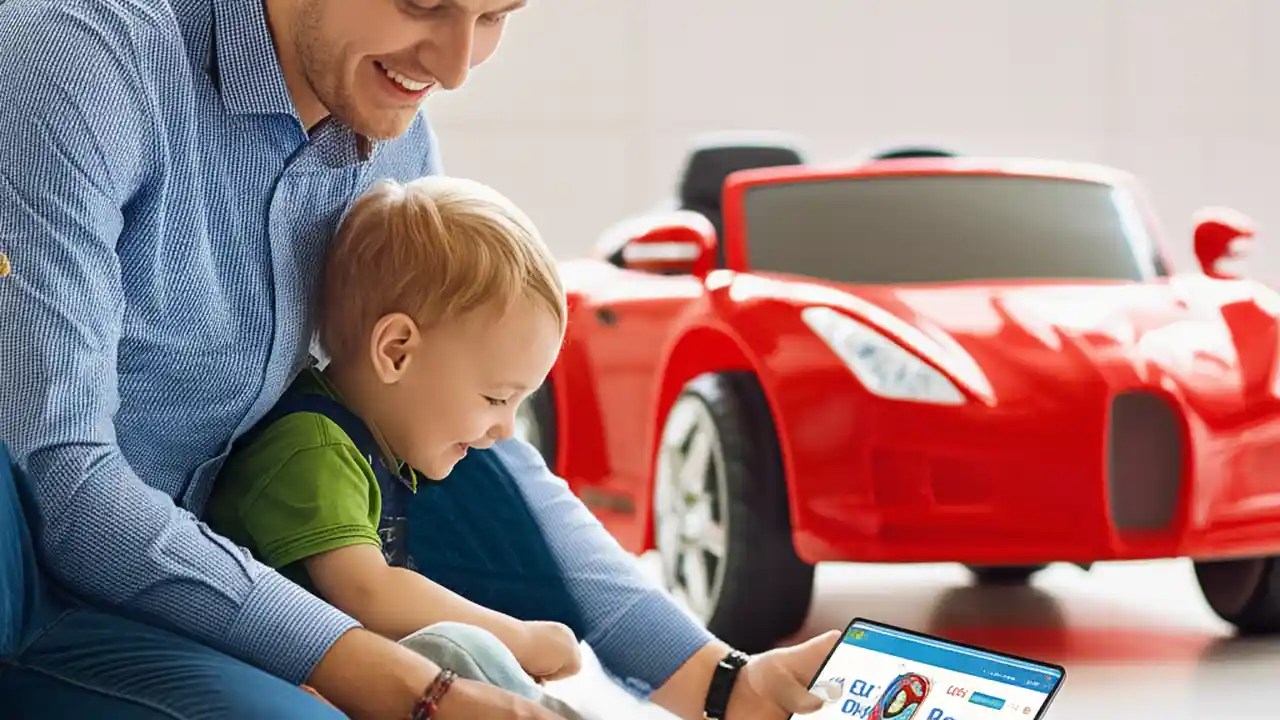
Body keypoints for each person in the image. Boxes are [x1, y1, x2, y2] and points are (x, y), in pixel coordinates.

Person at [0, 0, 839, 718]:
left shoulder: (383, 117)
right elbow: (64, 485)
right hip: (38, 582)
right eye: (424, 2)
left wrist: (718, 679)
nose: (457, 64)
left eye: (495, 15)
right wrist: (404, 684)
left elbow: (473, 427)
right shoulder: (78, 59)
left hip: (218, 554)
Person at [204, 175, 588, 718]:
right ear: (397, 351)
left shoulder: (368, 445)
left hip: (329, 671)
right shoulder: (310, 448)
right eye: (496, 397)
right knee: (464, 648)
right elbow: (367, 592)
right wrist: (518, 638)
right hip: (271, 677)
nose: (505, 429)